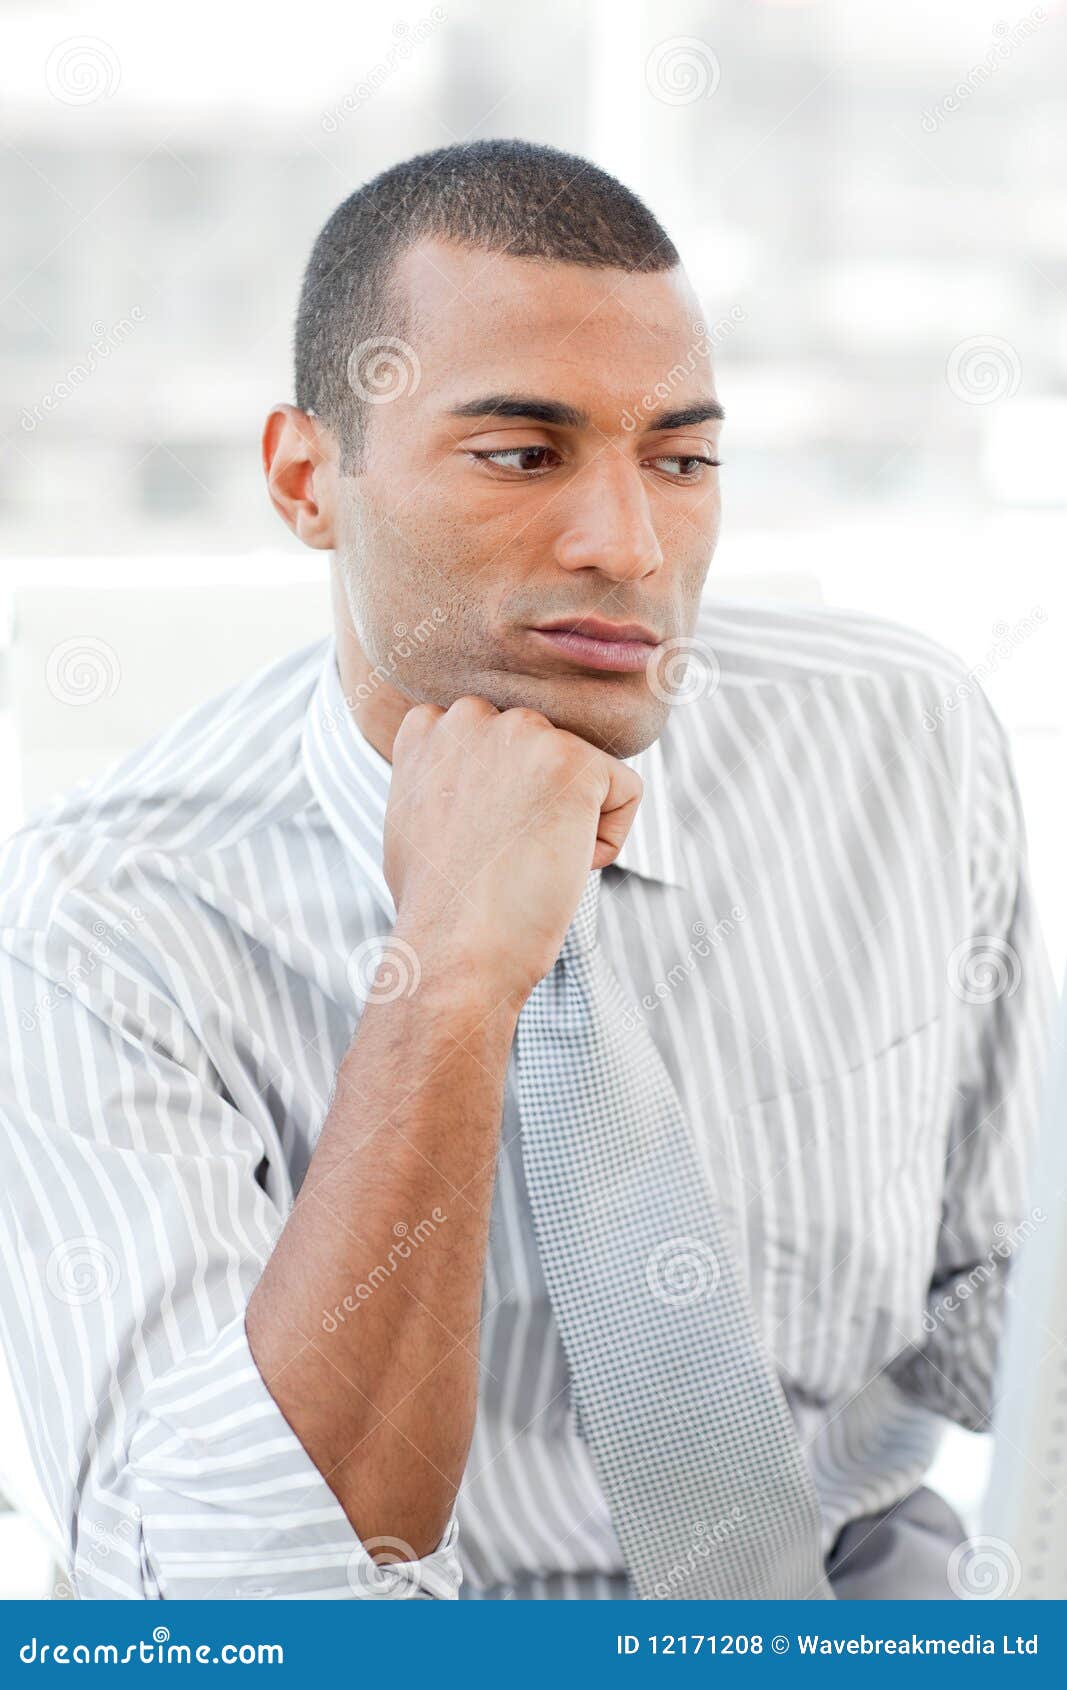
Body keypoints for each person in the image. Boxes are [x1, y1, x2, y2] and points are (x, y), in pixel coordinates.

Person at [0, 139, 1054, 1601]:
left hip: (849, 1605)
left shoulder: (902, 740)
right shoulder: (100, 919)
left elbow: (997, 1305)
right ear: (310, 481)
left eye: (680, 460)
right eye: (520, 452)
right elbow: (231, 1590)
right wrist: (451, 969)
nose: (629, 544)